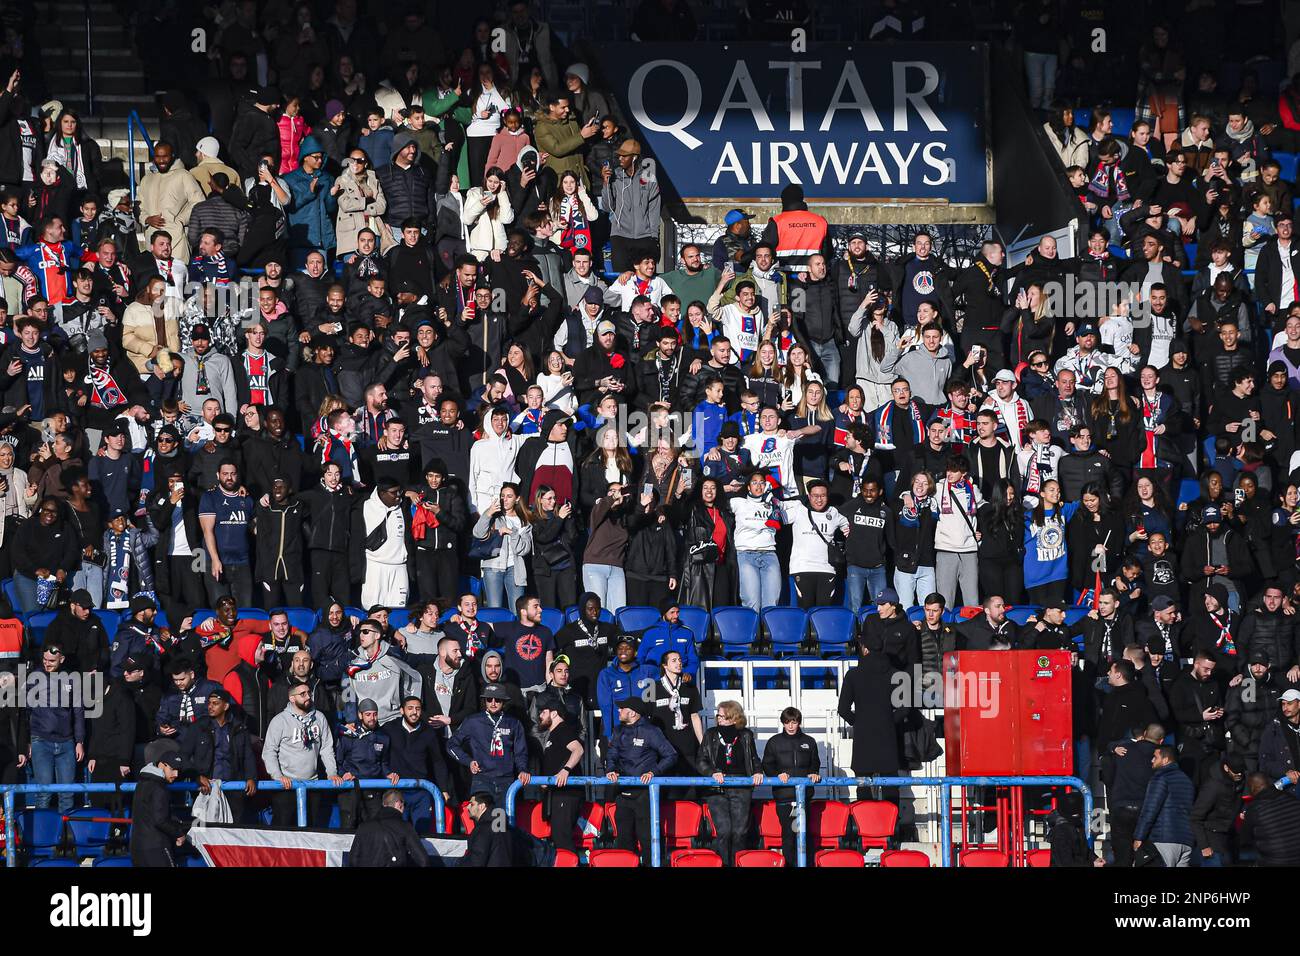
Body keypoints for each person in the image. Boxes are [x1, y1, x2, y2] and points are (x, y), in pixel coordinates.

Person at [605, 695, 677, 865]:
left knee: (648, 838)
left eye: (622, 708)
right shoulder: (618, 730)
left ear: (633, 713)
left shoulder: (651, 731)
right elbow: (612, 754)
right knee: (623, 839)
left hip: (645, 794)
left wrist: (654, 772)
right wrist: (610, 770)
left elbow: (671, 755)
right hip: (623, 792)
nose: (619, 710)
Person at [262, 679, 341, 826]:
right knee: (284, 830)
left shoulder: (319, 718)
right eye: (302, 694)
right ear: (292, 698)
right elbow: (269, 752)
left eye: (309, 693)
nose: (308, 697)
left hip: (312, 784)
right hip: (286, 786)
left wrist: (332, 773)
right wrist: (278, 776)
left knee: (310, 830)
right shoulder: (280, 720)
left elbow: (326, 749)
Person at [696, 699, 763, 866]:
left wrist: (757, 771)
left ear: (734, 718)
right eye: (718, 716)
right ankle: (724, 864)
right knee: (724, 831)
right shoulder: (710, 734)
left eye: (724, 717)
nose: (719, 719)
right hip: (717, 788)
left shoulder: (745, 735)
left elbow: (753, 758)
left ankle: (737, 863)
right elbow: (701, 760)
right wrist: (712, 772)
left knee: (740, 831)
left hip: (741, 787)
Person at [447, 683, 530, 801]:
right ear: (485, 701)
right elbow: (451, 745)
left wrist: (522, 770)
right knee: (483, 818)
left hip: (506, 780)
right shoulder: (473, 721)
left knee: (503, 818)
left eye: (498, 700)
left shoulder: (514, 723)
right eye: (489, 699)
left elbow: (520, 752)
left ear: (504, 701)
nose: (493, 703)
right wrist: (468, 761)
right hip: (481, 779)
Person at [533, 690, 584, 853]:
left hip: (567, 794)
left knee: (563, 838)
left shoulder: (563, 730)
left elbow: (578, 749)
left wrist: (566, 770)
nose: (540, 715)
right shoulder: (554, 734)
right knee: (558, 837)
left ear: (554, 713)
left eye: (544, 712)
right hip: (557, 794)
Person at [1133, 744, 1196, 868]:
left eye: (1155, 757)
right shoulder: (1187, 781)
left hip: (1164, 839)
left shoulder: (1160, 778)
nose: (1152, 760)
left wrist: (1139, 836)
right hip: (1186, 841)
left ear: (1165, 760)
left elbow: (1150, 810)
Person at [129, 750, 192, 867]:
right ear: (162, 765)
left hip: (137, 847)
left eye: (178, 770)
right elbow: (160, 820)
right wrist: (178, 834)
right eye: (173, 769)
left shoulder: (141, 782)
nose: (176, 774)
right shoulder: (160, 788)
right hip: (156, 848)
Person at [347, 790, 430, 867]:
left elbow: (353, 860)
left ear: (384, 804)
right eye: (404, 804)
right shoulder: (405, 827)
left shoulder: (363, 827)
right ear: (398, 803)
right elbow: (423, 861)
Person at [1241, 772, 1300, 865]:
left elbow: (1245, 839)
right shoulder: (1291, 797)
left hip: (1275, 861)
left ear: (1252, 788)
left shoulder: (1254, 808)